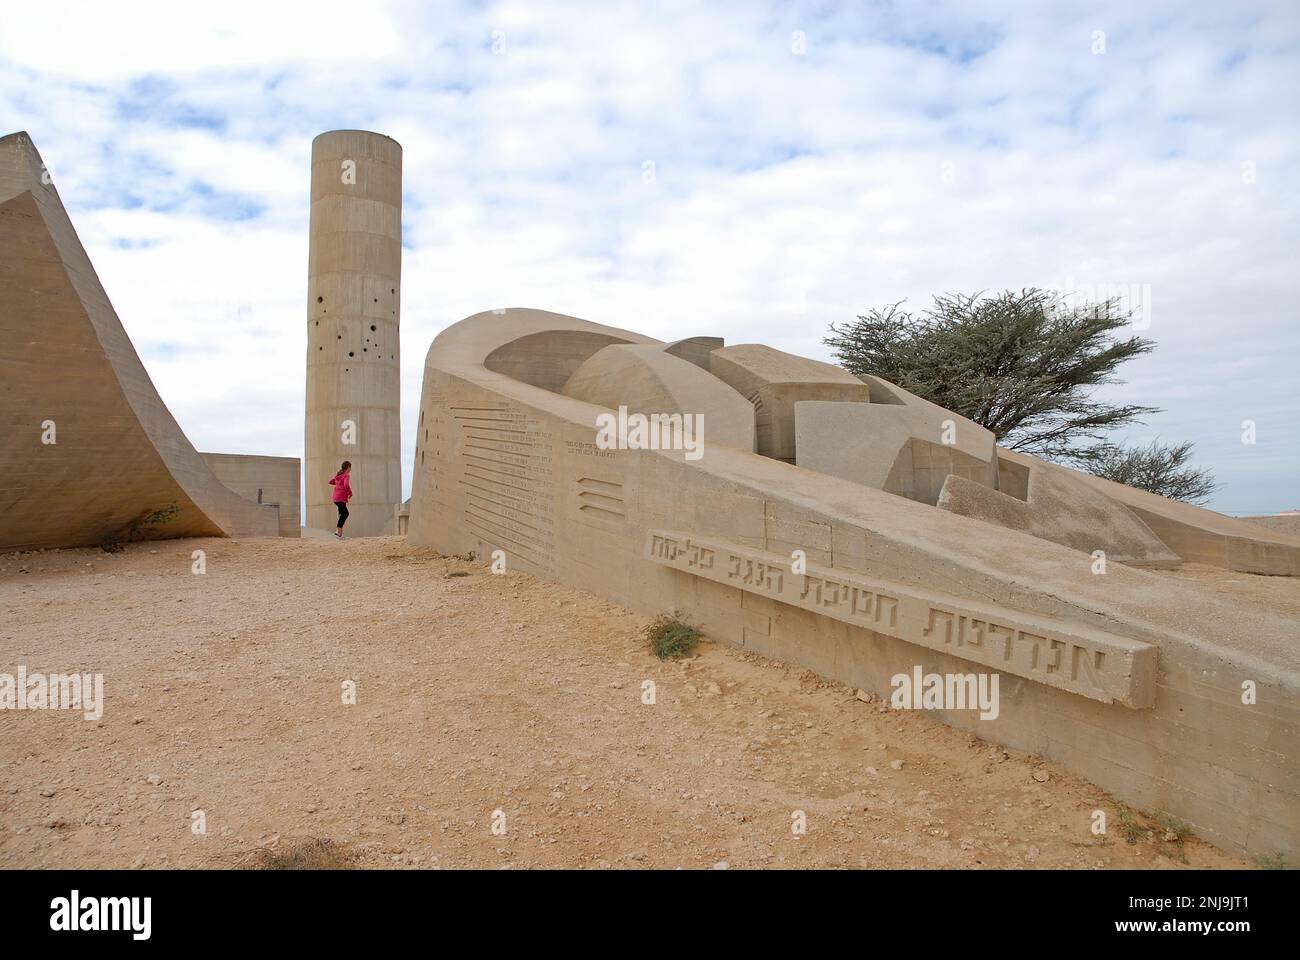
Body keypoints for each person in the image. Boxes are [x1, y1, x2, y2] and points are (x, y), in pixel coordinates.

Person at [328, 461, 353, 539]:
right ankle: (339, 532)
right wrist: (350, 493)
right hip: (341, 497)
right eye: (350, 468)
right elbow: (346, 485)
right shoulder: (346, 475)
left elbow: (330, 482)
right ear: (348, 467)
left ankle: (338, 532)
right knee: (345, 513)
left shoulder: (338, 475)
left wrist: (338, 483)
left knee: (341, 513)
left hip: (335, 497)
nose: (350, 469)